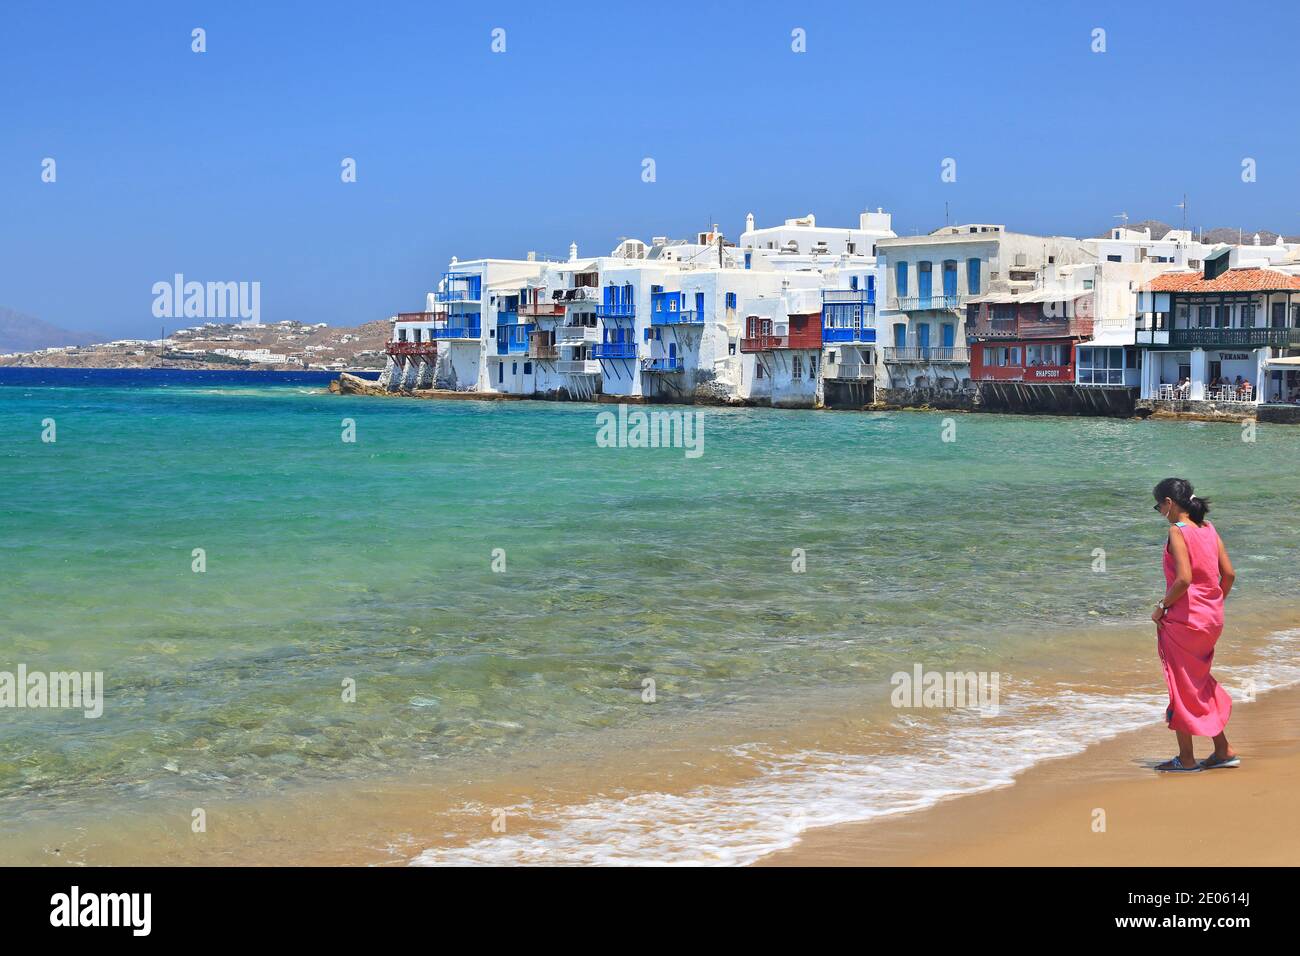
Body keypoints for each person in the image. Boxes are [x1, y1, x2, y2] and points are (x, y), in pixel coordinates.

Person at [1150, 478, 1237, 772]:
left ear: (1169, 504)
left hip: (1185, 621)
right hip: (1212, 619)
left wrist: (1161, 607)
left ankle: (1186, 759)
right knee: (1197, 681)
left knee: (1181, 684)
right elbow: (1229, 575)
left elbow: (1184, 578)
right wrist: (1213, 604)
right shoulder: (1209, 529)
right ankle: (1222, 749)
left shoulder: (1177, 531)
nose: (1160, 510)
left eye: (1158, 505)